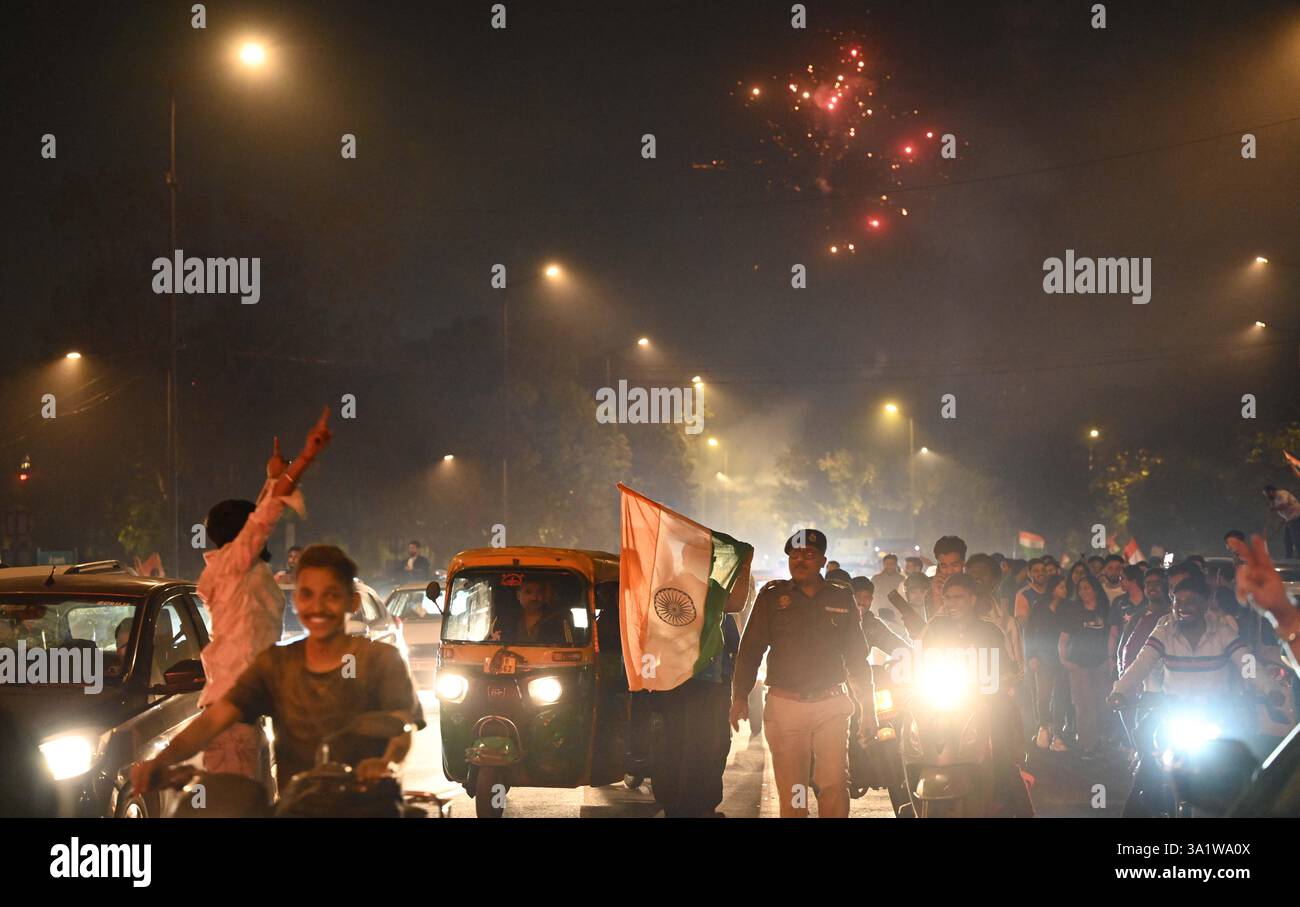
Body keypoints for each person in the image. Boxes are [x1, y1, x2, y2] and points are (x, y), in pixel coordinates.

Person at [132, 544, 424, 796]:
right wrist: (162, 760)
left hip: (368, 805)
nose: (318, 607)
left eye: (332, 595)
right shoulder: (277, 664)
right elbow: (217, 717)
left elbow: (402, 726)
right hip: (297, 808)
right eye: (307, 594)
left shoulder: (382, 660)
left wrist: (386, 762)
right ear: (296, 601)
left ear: (353, 601)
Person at [196, 409, 331, 780]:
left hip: (243, 715)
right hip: (231, 717)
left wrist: (272, 479)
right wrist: (305, 457)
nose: (262, 528)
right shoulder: (233, 565)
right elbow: (263, 516)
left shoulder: (234, 566)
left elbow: (257, 517)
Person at [730, 529, 876, 818]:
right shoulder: (773, 597)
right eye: (794, 555)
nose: (800, 560)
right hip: (786, 709)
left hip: (830, 706)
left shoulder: (841, 597)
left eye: (808, 555)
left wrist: (869, 710)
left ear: (822, 560)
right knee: (795, 790)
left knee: (834, 782)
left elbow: (858, 659)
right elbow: (750, 650)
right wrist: (739, 696)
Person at [919, 574, 1033, 816]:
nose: (951, 603)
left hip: (985, 704)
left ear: (972, 599)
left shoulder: (989, 630)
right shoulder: (936, 628)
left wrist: (1004, 678)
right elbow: (922, 663)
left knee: (1003, 757)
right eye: (947, 598)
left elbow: (1005, 667)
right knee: (910, 744)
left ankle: (1020, 807)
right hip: (941, 704)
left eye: (958, 598)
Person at [1058, 572, 1110, 757]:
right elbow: (1063, 639)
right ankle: (1088, 744)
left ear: (1095, 589)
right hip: (1079, 665)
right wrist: (1064, 660)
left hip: (1101, 665)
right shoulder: (1074, 611)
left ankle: (1102, 739)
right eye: (1080, 589)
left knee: (1102, 703)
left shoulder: (1105, 610)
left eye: (1087, 587)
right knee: (1083, 705)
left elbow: (1113, 636)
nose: (1083, 592)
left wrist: (1110, 659)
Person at [1027, 575, 1070, 751]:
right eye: (1061, 587)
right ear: (1052, 588)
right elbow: (1029, 633)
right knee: (1043, 695)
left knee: (1059, 696)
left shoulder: (1066, 609)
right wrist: (1031, 655)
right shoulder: (1039, 608)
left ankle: (1057, 733)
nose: (1064, 590)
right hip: (1042, 656)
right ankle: (1043, 727)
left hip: (1061, 657)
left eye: (1065, 587)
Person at [491, 575, 572, 645]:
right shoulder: (505, 619)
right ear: (518, 595)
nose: (534, 597)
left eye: (539, 592)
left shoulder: (558, 620)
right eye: (528, 592)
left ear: (544, 595)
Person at [928, 535, 967, 621]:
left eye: (954, 565)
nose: (949, 571)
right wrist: (936, 595)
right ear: (938, 566)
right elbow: (933, 628)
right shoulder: (931, 591)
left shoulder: (973, 588)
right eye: (944, 566)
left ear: (963, 563)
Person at [1264, 485, 1300, 558]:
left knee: (1296, 539)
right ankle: (1288, 558)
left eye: (1267, 494)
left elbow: (1284, 505)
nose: (1267, 497)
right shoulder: (1276, 500)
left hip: (1296, 518)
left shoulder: (1281, 494)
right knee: (1287, 540)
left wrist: (1273, 508)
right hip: (1290, 520)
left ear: (1271, 491)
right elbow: (1285, 515)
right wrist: (1278, 527)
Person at [1014, 558, 1049, 623]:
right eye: (1036, 571)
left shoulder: (1052, 590)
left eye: (1043, 570)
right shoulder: (1023, 594)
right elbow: (1022, 624)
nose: (1041, 573)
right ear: (1029, 574)